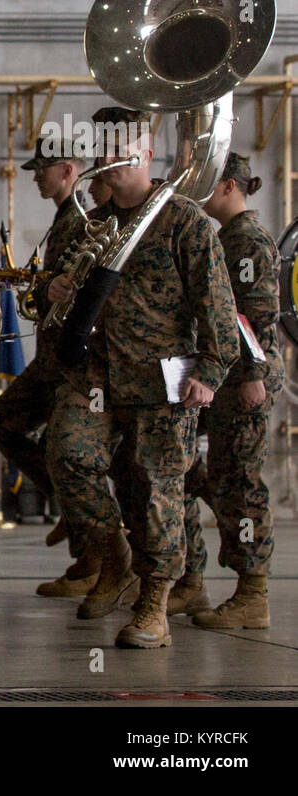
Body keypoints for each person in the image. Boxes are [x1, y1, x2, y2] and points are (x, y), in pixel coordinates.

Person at [44, 107, 237, 648]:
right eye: (100, 145)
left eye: (118, 145)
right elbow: (48, 292)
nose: (105, 158)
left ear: (145, 150)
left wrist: (213, 371)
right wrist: (52, 291)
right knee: (66, 453)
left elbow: (216, 306)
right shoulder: (89, 222)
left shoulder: (185, 221)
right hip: (94, 374)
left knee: (157, 488)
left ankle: (155, 598)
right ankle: (114, 552)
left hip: (161, 382)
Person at [0, 136, 93, 597]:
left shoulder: (83, 223)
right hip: (51, 360)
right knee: (2, 422)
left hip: (67, 364)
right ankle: (72, 516)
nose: (35, 176)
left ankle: (92, 556)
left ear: (68, 170)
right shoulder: (62, 220)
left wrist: (44, 289)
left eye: (42, 169)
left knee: (64, 452)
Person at [173, 153, 278, 630]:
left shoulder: (247, 241)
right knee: (219, 479)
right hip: (226, 380)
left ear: (231, 185)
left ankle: (252, 594)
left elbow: (253, 317)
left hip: (242, 383)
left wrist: (254, 375)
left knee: (241, 486)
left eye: (210, 183)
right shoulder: (227, 238)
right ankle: (211, 581)